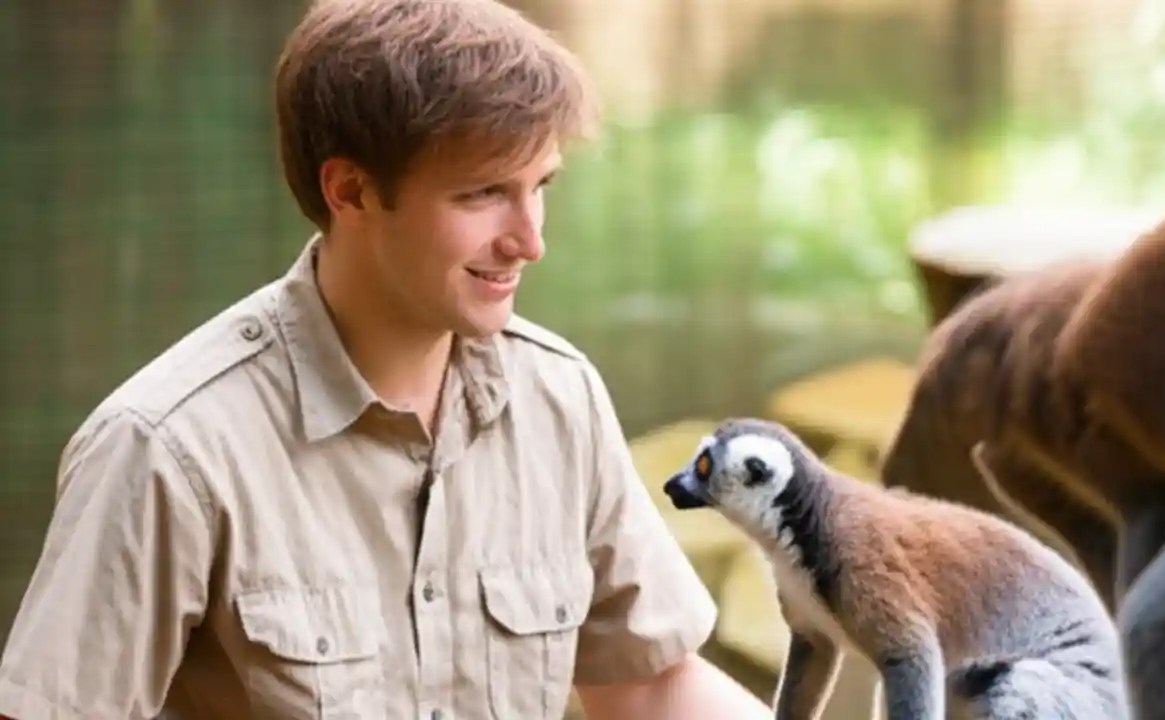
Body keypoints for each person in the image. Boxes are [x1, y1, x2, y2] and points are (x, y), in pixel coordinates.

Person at [0, 0, 775, 718]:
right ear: (352, 191)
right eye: (482, 195)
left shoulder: (559, 398)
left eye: (539, 186)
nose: (530, 240)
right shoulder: (165, 451)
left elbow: (646, 687)